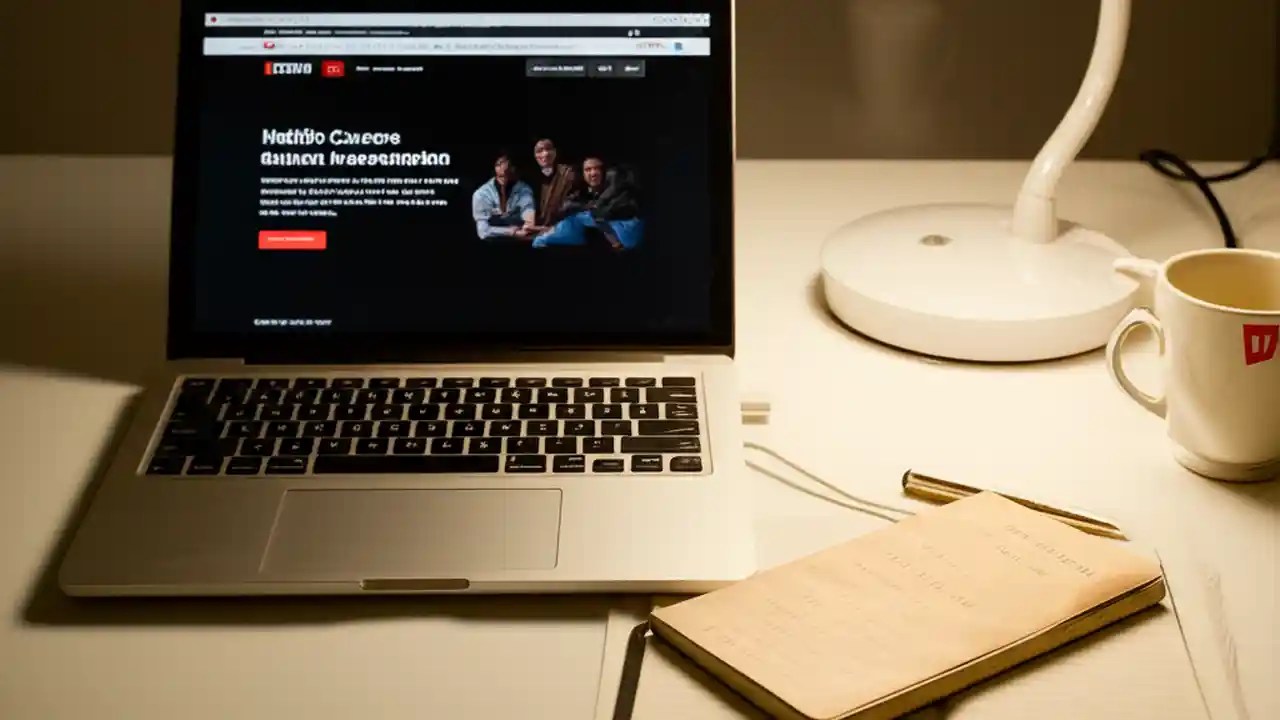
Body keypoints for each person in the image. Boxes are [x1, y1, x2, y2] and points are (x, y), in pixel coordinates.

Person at [471, 153, 536, 241]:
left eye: (508, 165)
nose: (504, 169)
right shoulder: (481, 194)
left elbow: (529, 223)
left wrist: (527, 226)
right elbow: (483, 231)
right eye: (499, 164)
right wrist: (511, 231)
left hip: (521, 245)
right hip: (491, 246)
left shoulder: (524, 190)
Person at [531, 138, 580, 228]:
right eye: (539, 151)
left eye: (548, 149)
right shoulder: (531, 179)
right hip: (534, 228)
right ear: (535, 156)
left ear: (555, 152)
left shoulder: (567, 174)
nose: (545, 154)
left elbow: (572, 202)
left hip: (562, 227)